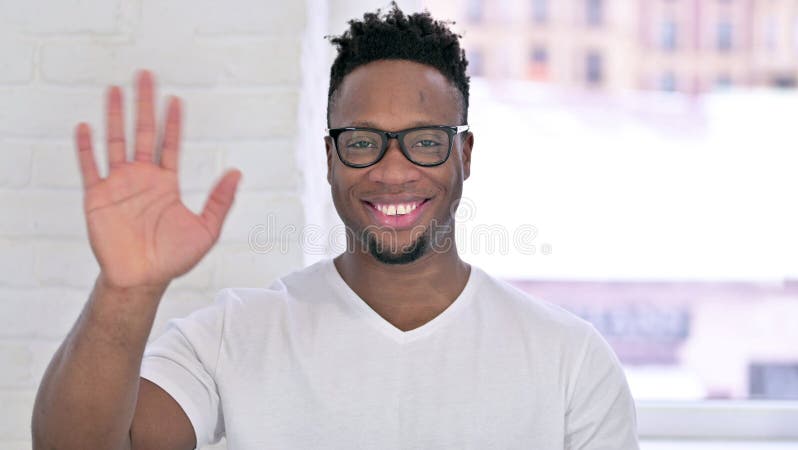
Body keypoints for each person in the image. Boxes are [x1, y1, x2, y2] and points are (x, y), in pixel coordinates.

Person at [32, 4, 639, 450]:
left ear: (466, 155)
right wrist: (126, 292)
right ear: (329, 157)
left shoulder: (570, 360)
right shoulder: (235, 333)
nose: (393, 169)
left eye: (425, 142)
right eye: (364, 141)